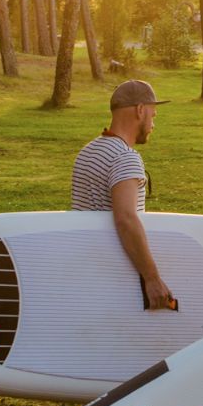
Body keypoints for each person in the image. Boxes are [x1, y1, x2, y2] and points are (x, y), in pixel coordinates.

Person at [71, 79, 176, 311]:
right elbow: (126, 219)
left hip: (88, 267)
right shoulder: (125, 157)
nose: (153, 124)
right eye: (153, 115)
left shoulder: (88, 151)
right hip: (119, 276)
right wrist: (152, 278)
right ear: (140, 110)